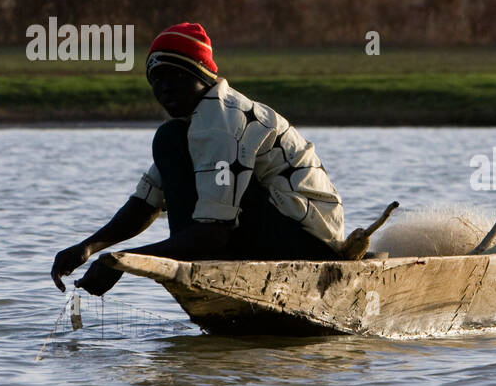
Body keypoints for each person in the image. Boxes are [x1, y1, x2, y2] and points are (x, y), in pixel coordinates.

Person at [51, 22, 345, 296]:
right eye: (156, 79)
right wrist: (88, 247)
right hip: (280, 233)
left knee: (168, 140)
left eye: (175, 76)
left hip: (310, 245)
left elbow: (212, 233)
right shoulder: (195, 127)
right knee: (170, 139)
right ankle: (195, 253)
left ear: (201, 77)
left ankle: (198, 258)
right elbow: (146, 203)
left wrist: (122, 262)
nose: (164, 88)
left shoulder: (219, 123)